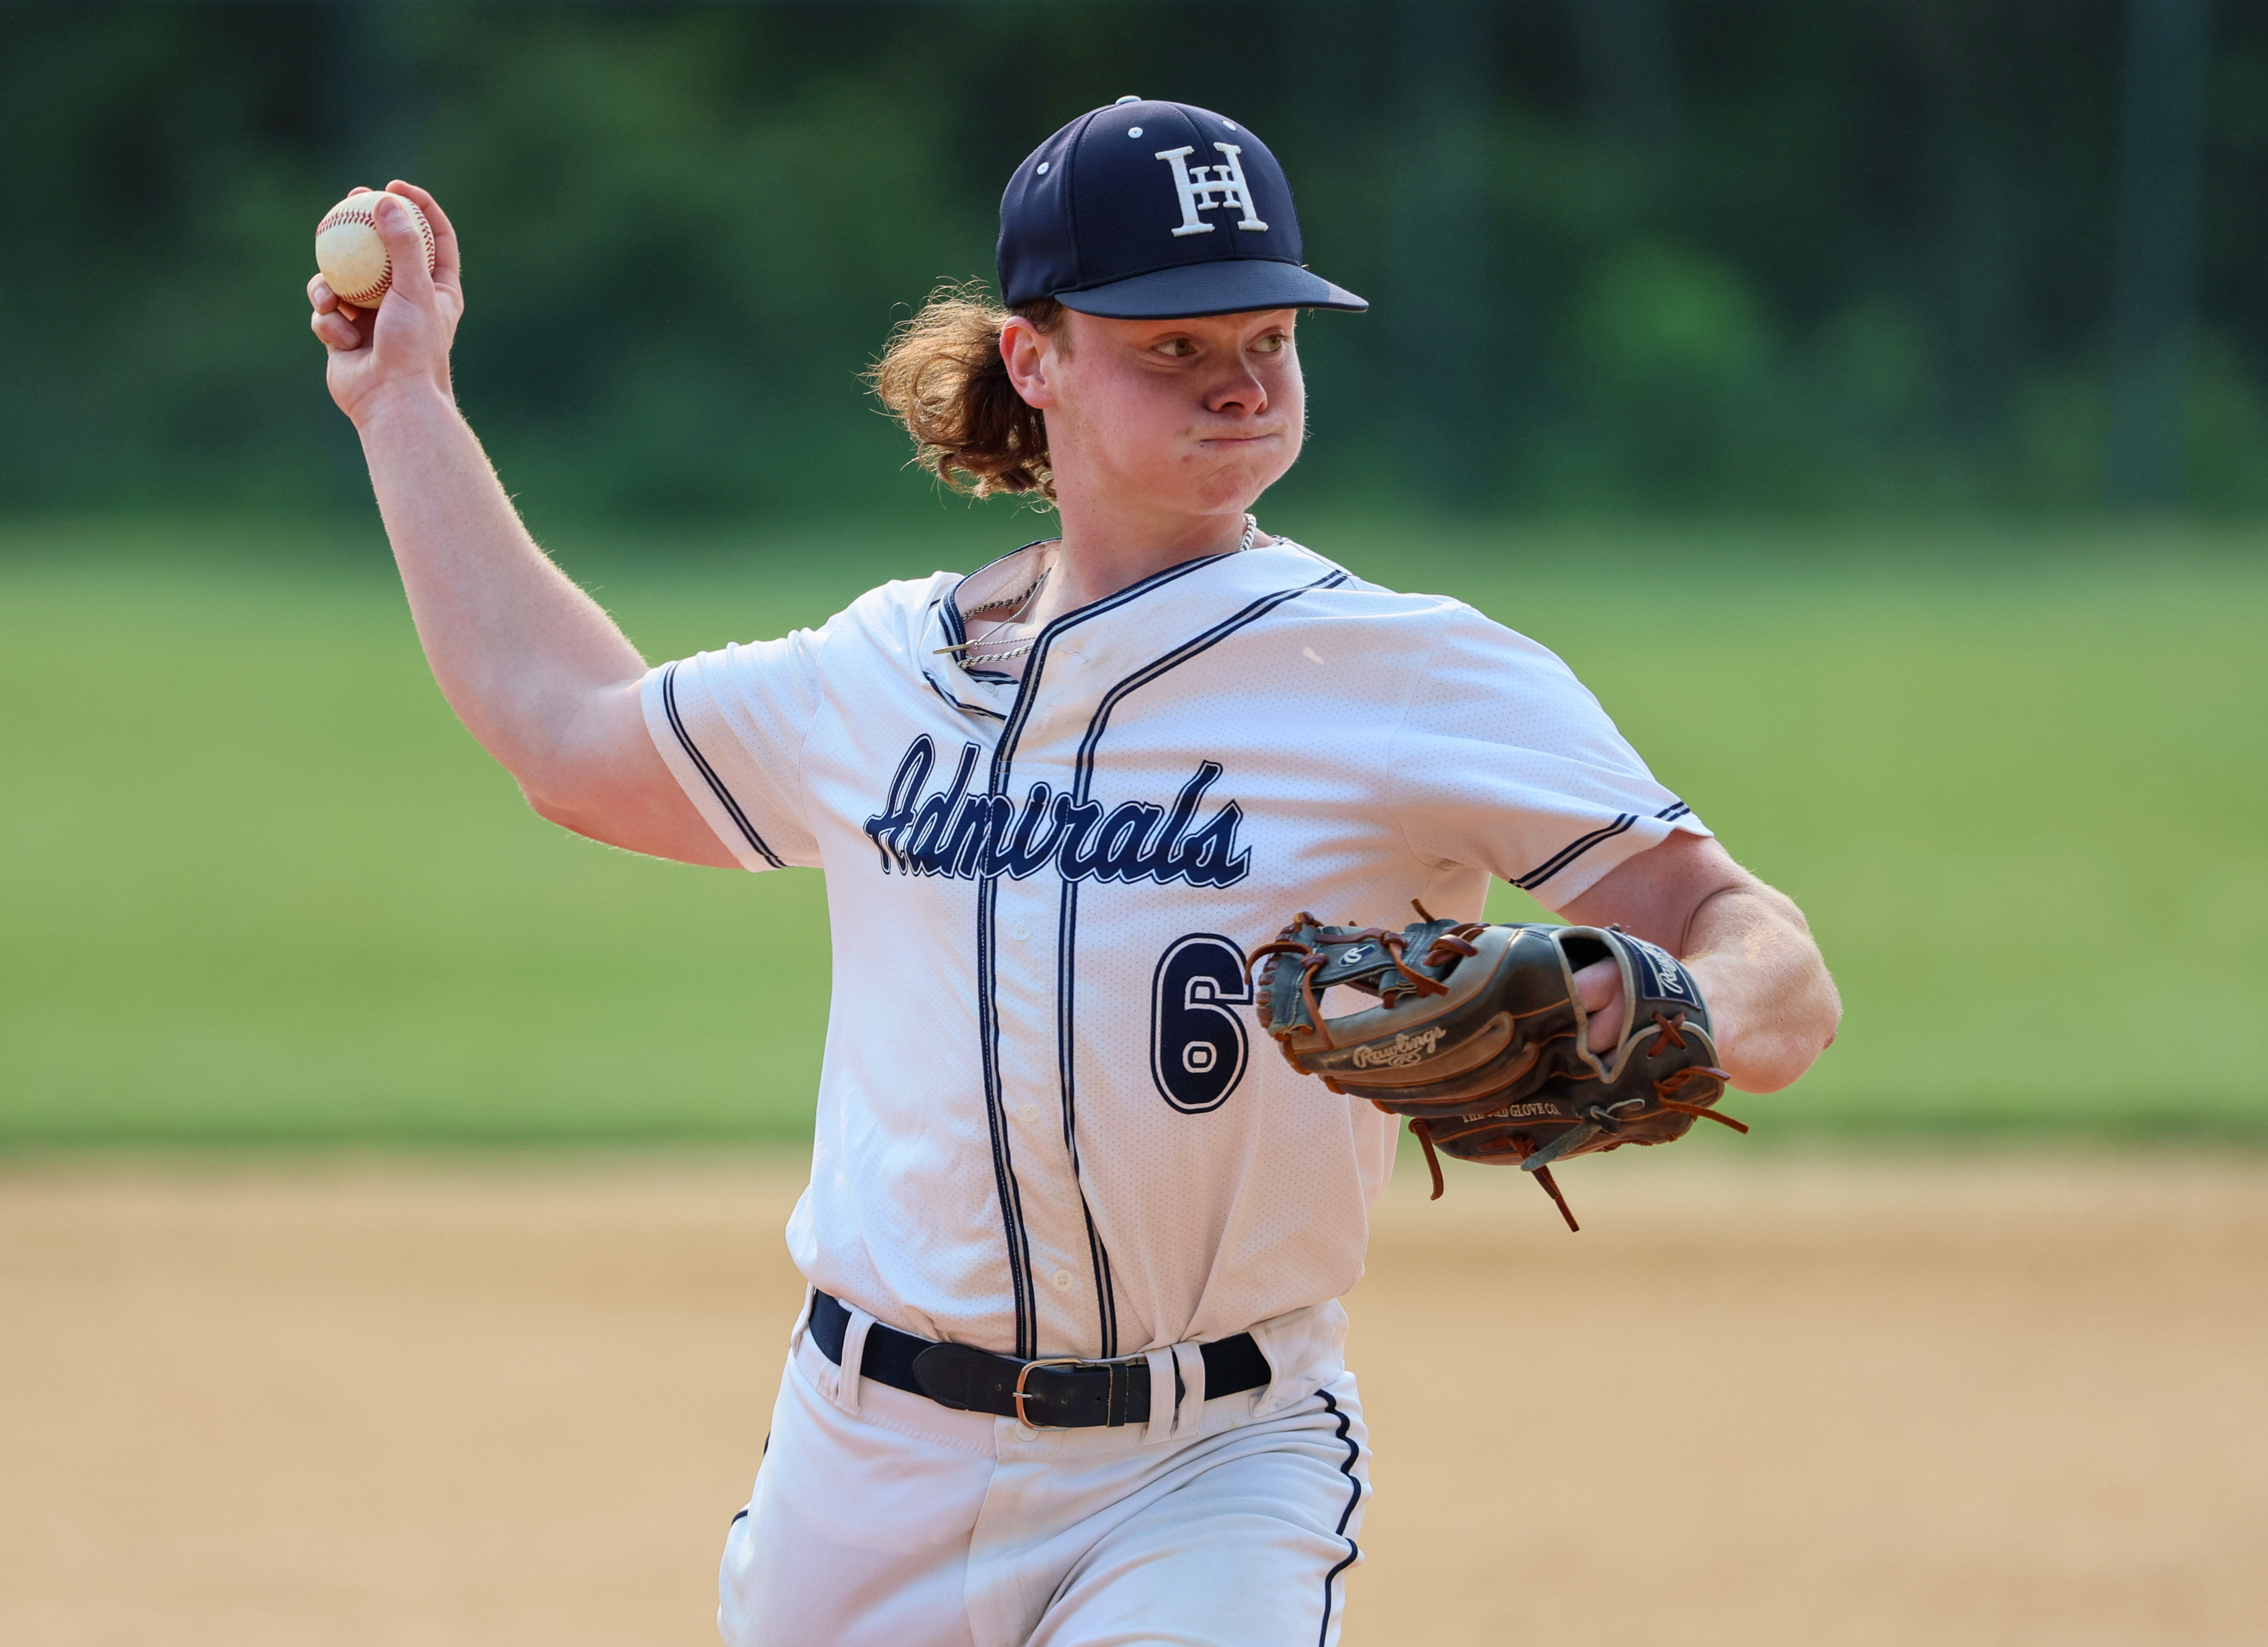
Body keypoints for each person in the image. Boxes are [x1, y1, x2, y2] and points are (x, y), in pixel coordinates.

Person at [310, 96, 1839, 1647]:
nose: (1241, 380)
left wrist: (1652, 1003)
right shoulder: (886, 671)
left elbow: (1762, 953)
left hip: (1210, 1467)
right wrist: (403, 403)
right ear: (1032, 361)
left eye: (1269, 336)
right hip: (861, 1467)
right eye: (1173, 343)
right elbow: (569, 737)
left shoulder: (1405, 674)